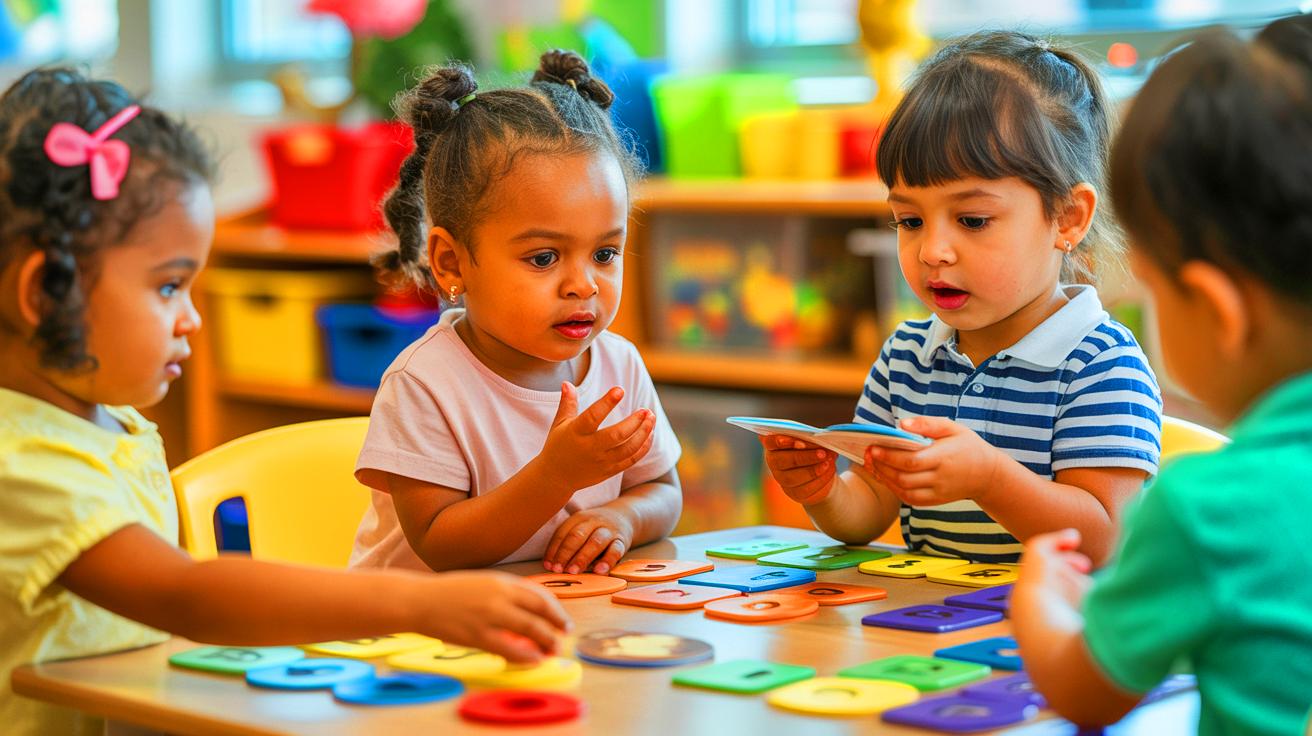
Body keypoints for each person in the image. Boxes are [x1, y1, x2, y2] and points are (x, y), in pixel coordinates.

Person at [0, 68, 569, 736]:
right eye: (168, 288)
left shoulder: (105, 423)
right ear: (44, 294)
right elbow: (185, 594)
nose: (191, 320)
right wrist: (420, 602)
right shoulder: (21, 465)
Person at [1013, 15, 1312, 734]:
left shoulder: (1203, 510)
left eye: (1148, 283)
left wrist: (1041, 604)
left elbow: (1084, 693)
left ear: (1217, 309)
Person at [763, 31, 1162, 564]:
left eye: (973, 220)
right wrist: (823, 492)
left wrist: (991, 478)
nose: (933, 251)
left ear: (1067, 218)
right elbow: (867, 511)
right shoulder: (907, 357)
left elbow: (1106, 542)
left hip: (1055, 636)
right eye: (909, 220)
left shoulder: (1100, 364)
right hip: (932, 626)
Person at [349, 50, 682, 576]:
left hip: (545, 619)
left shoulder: (619, 366)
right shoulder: (425, 383)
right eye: (544, 258)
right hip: (412, 632)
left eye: (605, 253)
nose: (583, 285)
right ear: (452, 262)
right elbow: (439, 544)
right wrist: (555, 475)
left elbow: (662, 492)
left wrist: (623, 518)